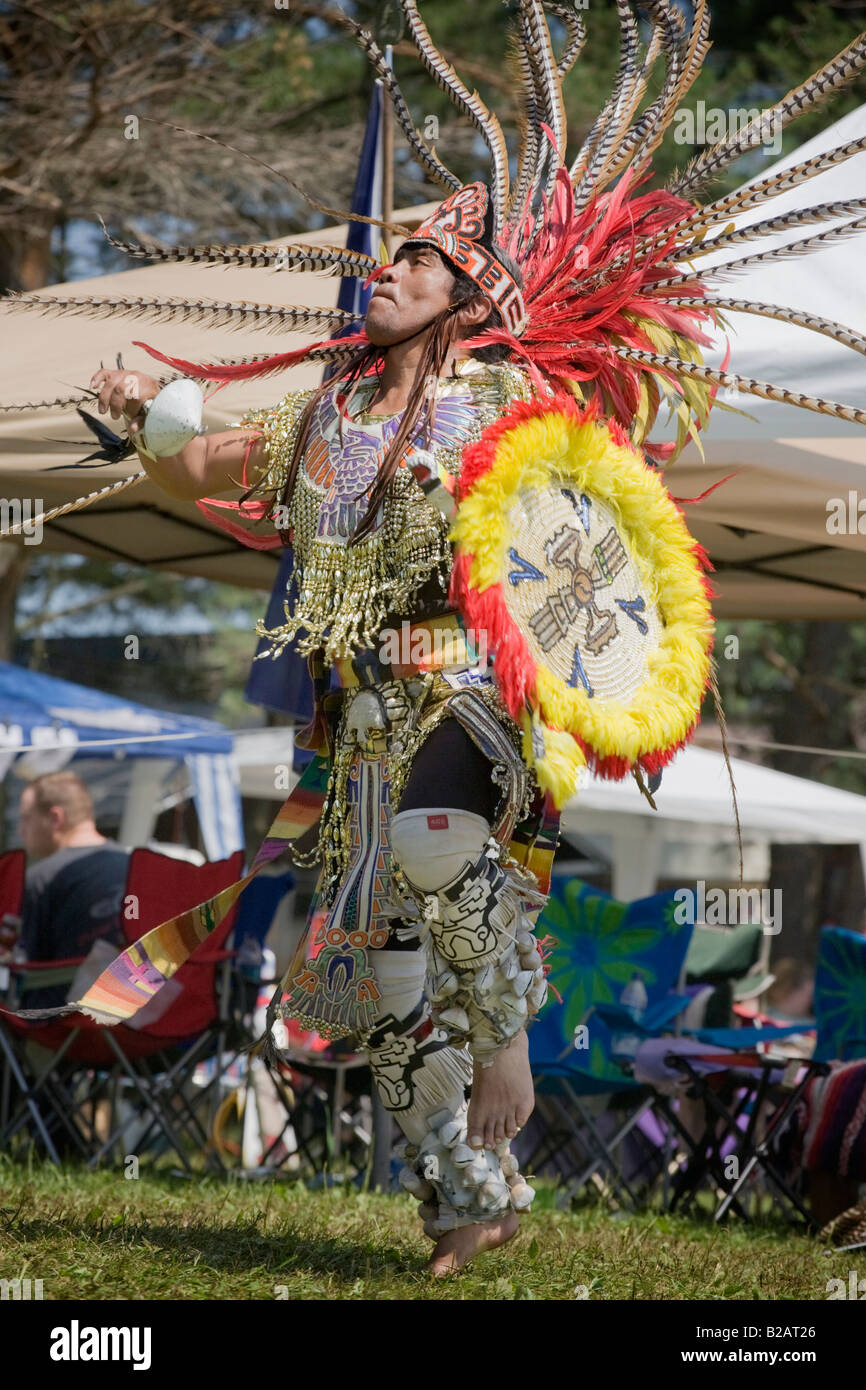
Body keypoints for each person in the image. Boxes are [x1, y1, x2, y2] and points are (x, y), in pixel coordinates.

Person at [10, 4, 866, 1276]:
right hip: (346, 723)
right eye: (392, 254)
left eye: (415, 259)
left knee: (430, 846)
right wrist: (142, 416)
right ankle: (469, 1191)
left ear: (469, 295)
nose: (388, 270)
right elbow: (214, 465)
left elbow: (576, 543)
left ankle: (511, 1033)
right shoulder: (326, 408)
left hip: (461, 705)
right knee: (369, 987)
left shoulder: (505, 409)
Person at [16, 772, 129, 1009]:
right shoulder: (134, 866)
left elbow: (30, 964)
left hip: (67, 1023)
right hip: (142, 1017)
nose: (20, 831)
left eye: (26, 819)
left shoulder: (41, 878)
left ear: (56, 818)